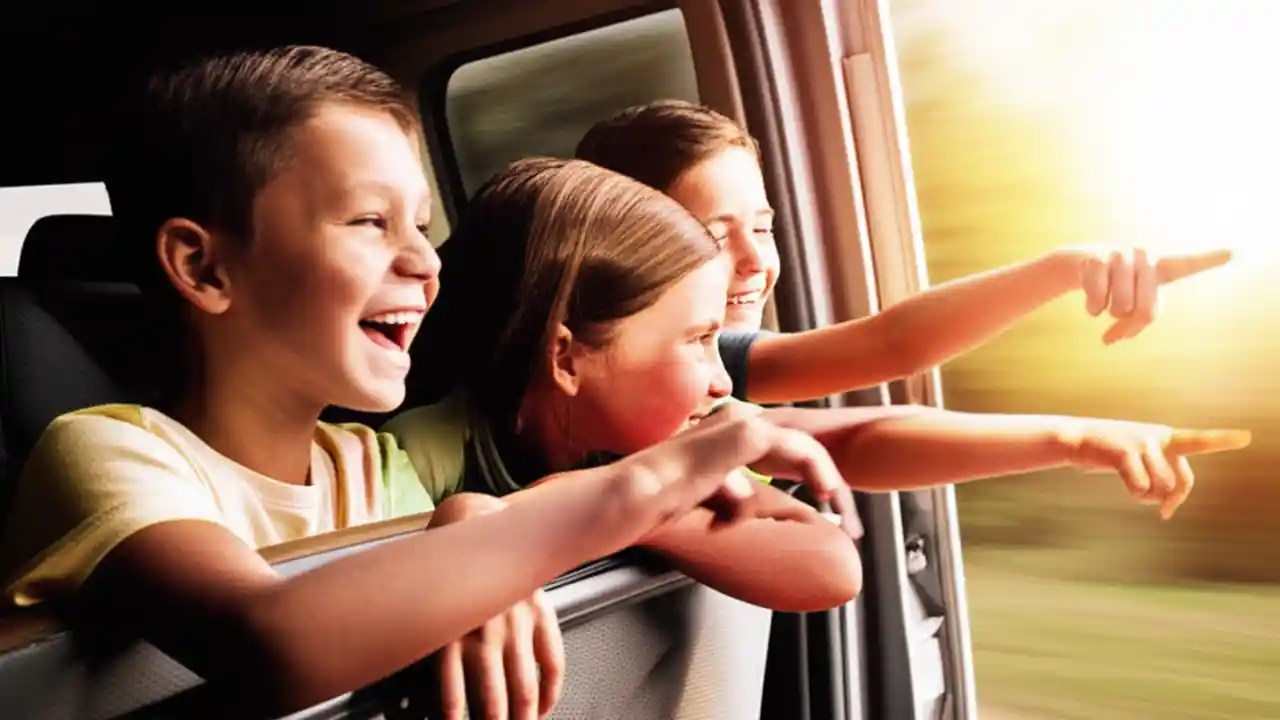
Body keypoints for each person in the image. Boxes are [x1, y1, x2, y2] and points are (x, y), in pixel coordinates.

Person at [0, 47, 851, 718]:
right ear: (203, 266)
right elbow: (274, 646)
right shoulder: (106, 452)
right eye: (371, 222)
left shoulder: (368, 464)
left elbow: (429, 564)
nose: (422, 261)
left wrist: (471, 521)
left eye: (421, 223)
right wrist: (645, 483)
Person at [388, 155, 1248, 585]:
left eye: (760, 225)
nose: (721, 372)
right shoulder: (416, 456)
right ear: (569, 354)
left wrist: (1074, 434)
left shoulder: (665, 427)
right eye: (694, 339)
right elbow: (879, 355)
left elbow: (843, 489)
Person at [574, 98, 1234, 536]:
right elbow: (847, 431)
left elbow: (888, 355)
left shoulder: (719, 367)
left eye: (764, 226)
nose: (754, 259)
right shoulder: (585, 395)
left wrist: (1065, 279)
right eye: (716, 235)